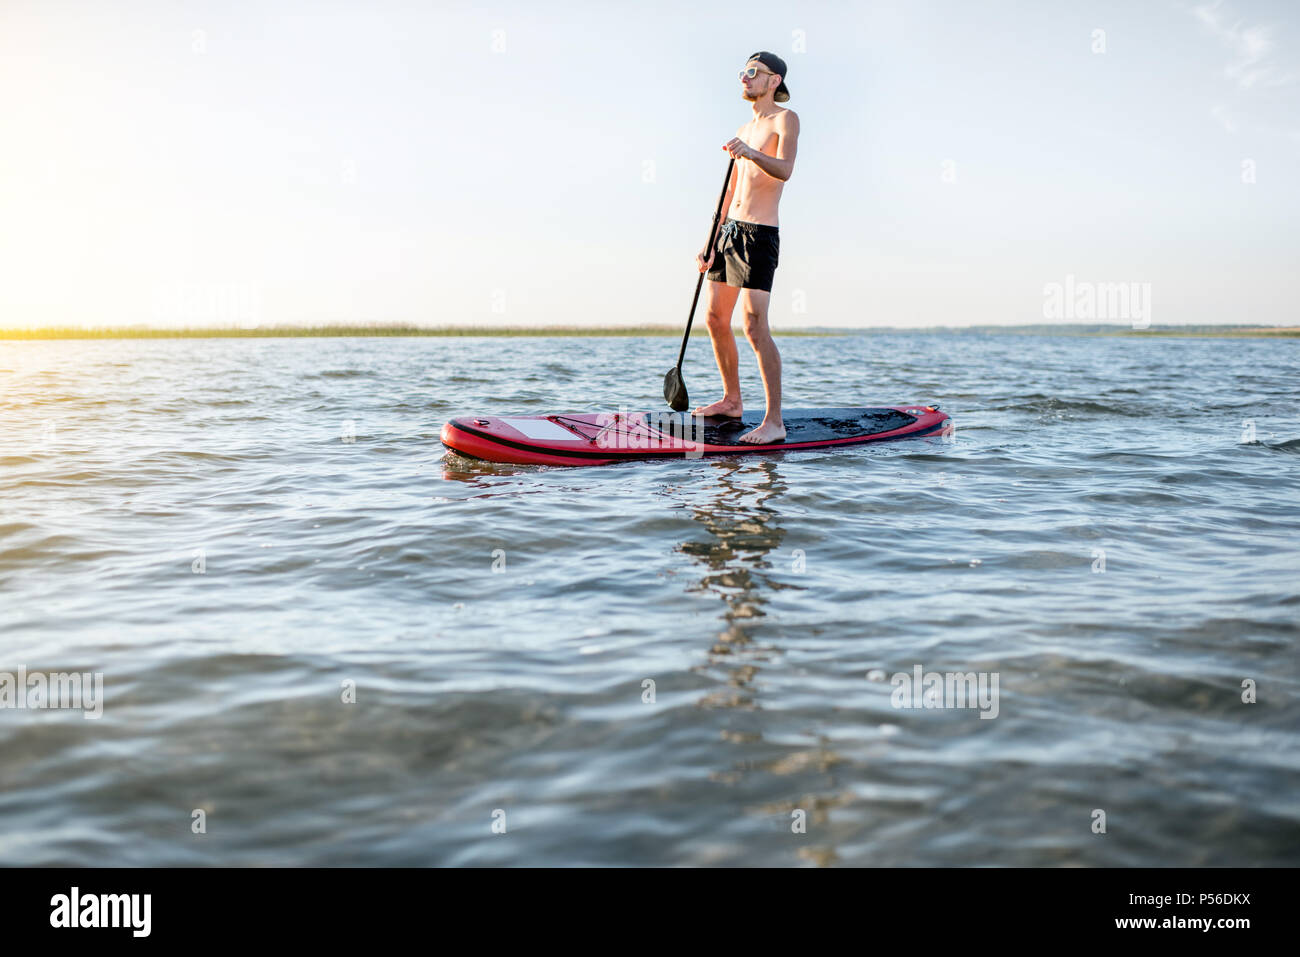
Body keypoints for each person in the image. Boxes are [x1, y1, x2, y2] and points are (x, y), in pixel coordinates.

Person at [694, 51, 800, 444]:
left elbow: (785, 169)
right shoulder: (744, 125)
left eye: (753, 73)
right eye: (743, 72)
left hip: (759, 235)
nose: (745, 78)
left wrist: (752, 153)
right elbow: (731, 192)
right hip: (730, 233)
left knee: (754, 326)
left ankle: (774, 421)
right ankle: (732, 401)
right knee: (714, 319)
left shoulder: (785, 119)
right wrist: (709, 240)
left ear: (774, 81)